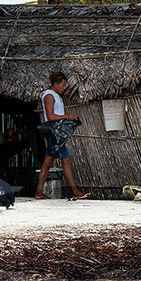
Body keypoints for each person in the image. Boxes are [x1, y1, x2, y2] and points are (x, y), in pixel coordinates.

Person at [34, 72, 89, 200]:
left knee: (48, 162)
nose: (64, 88)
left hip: (57, 133)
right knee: (65, 161)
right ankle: (75, 192)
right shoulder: (49, 96)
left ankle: (39, 192)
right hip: (54, 133)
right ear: (56, 84)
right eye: (63, 85)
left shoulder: (55, 96)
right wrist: (67, 116)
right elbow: (51, 116)